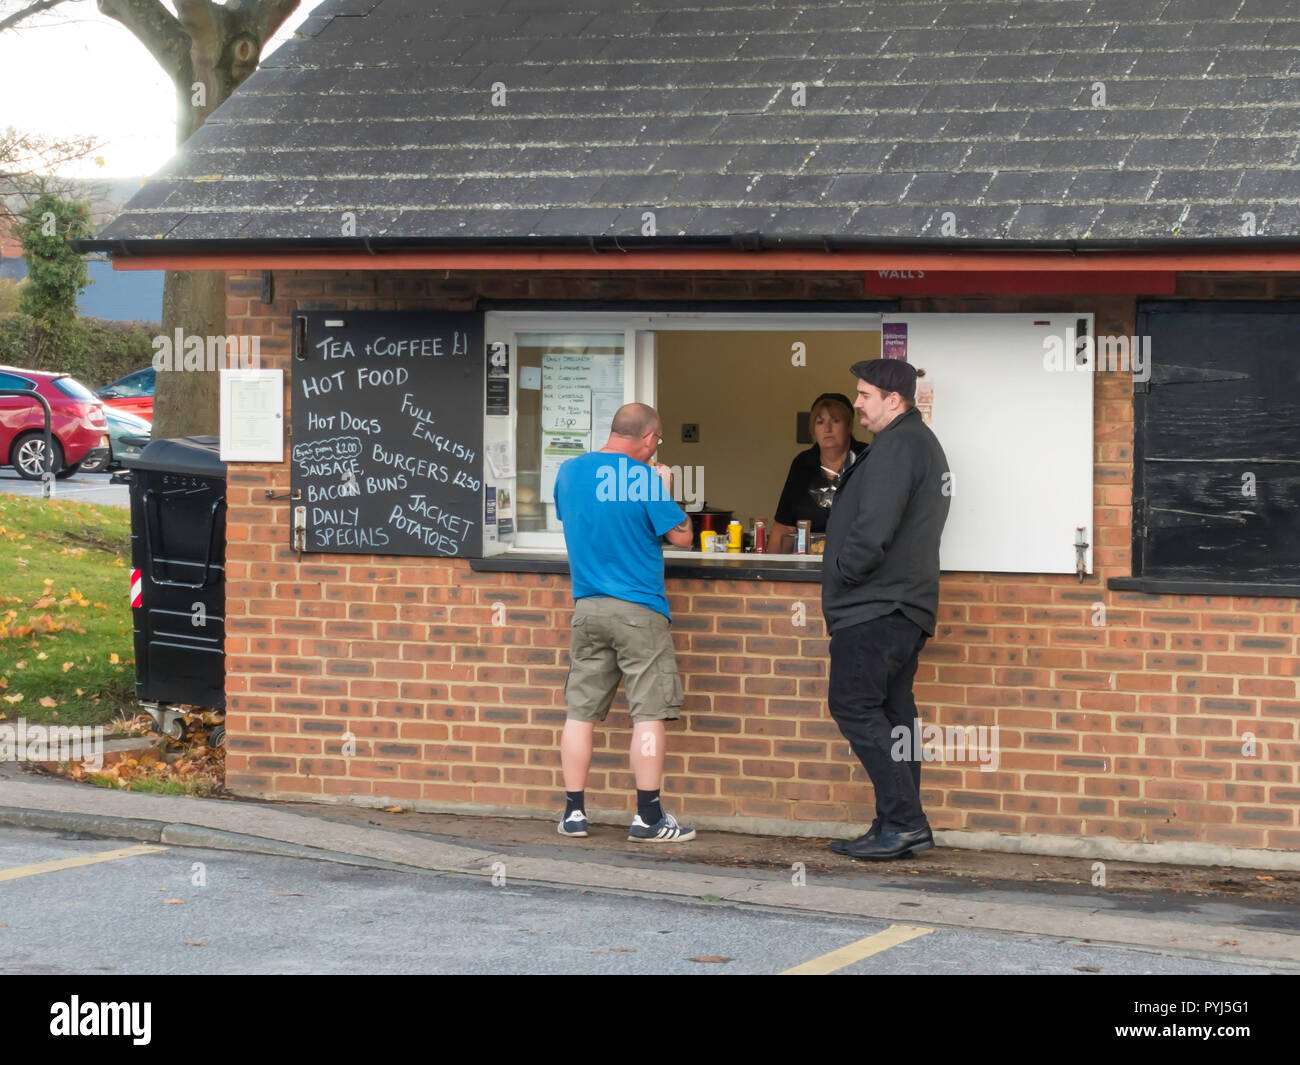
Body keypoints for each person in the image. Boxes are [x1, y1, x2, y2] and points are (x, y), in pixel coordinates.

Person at [822, 359, 950, 861]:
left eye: (864, 395)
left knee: (853, 705)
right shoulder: (911, 443)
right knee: (896, 718)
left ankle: (905, 822)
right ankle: (892, 824)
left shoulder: (899, 446)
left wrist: (845, 572)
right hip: (898, 605)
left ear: (893, 400)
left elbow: (874, 527)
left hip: (876, 605)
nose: (856, 404)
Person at [552, 402, 697, 843]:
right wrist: (665, 487)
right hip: (638, 612)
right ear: (650, 439)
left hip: (588, 608)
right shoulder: (645, 478)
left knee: (580, 713)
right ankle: (648, 817)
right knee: (648, 714)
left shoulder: (569, 472)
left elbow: (576, 518)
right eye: (658, 442)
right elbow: (684, 538)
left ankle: (574, 813)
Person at [770, 392, 869, 553]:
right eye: (820, 422)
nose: (827, 429)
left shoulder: (867, 458)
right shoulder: (803, 463)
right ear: (813, 429)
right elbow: (783, 524)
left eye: (836, 421)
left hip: (856, 560)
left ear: (849, 426)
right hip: (809, 559)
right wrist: (769, 572)